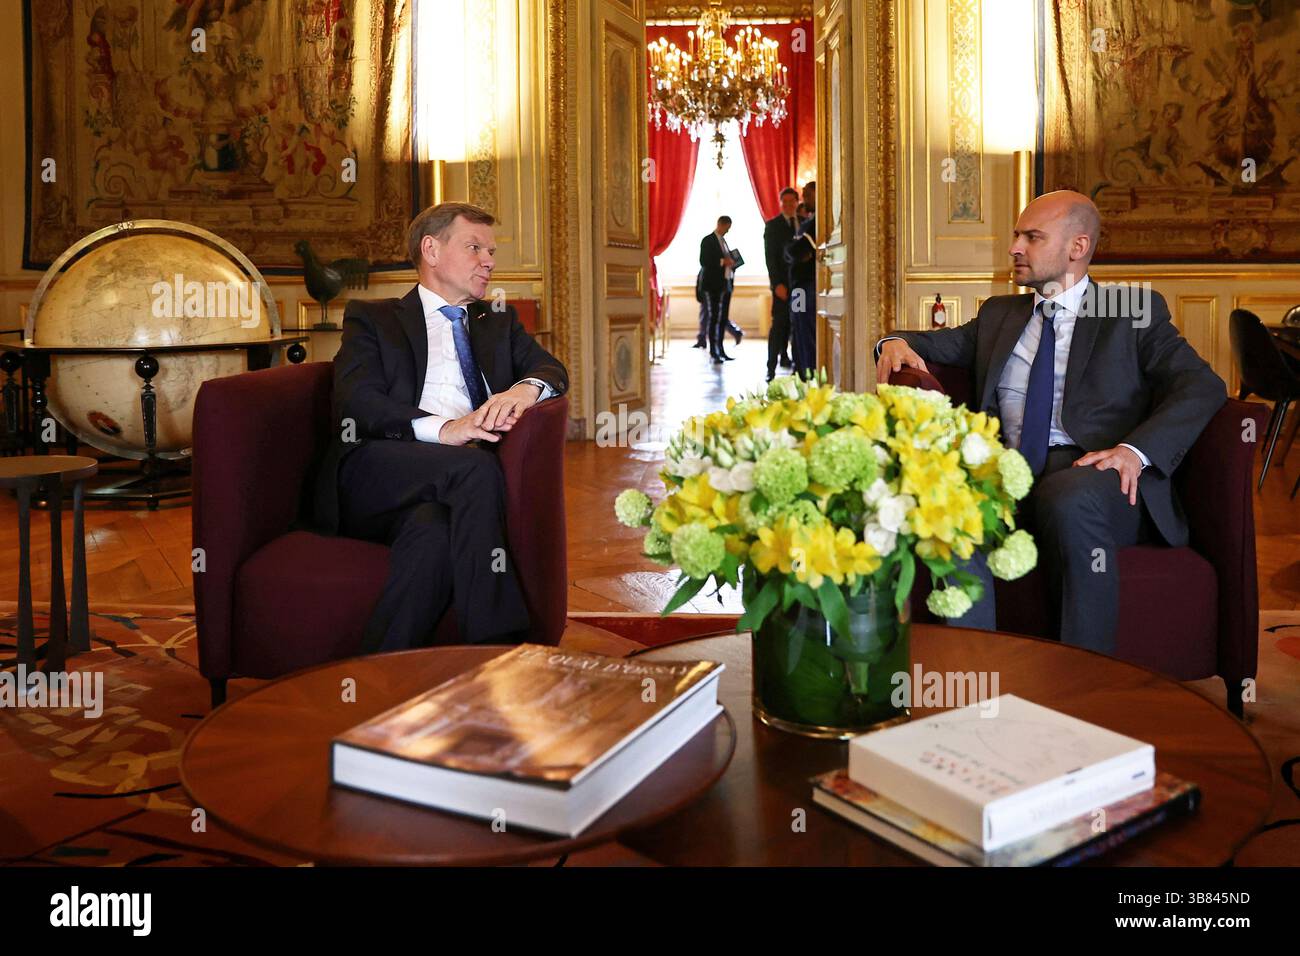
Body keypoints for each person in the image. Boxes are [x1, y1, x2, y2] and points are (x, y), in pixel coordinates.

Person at [874, 190, 1226, 654]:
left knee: (1067, 495)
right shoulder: (1000, 315)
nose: (1014, 247)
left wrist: (1134, 452)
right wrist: (892, 341)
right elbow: (936, 345)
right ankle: (969, 674)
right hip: (1009, 472)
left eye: (1031, 237)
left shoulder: (1131, 313)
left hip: (1093, 474)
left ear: (1077, 248)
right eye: (1017, 235)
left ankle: (1082, 683)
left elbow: (1202, 385)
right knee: (950, 501)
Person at [312, 201, 569, 652]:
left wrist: (523, 391)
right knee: (474, 469)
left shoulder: (499, 322)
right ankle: (499, 647)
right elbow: (356, 404)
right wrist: (446, 429)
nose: (489, 260)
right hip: (379, 470)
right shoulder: (374, 319)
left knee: (433, 532)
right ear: (431, 250)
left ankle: (379, 676)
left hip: (452, 492)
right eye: (474, 248)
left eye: (491, 251)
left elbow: (551, 370)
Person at [763, 187, 800, 381]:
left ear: (796, 202)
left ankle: (799, 368)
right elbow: (770, 259)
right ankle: (771, 368)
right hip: (782, 288)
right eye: (784, 202)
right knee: (779, 327)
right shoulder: (773, 226)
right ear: (780, 204)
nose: (788, 205)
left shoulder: (804, 222)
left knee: (799, 326)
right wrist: (776, 284)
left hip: (800, 288)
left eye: (791, 202)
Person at [784, 192, 817, 378]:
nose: (805, 198)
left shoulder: (814, 222)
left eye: (807, 194)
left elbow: (796, 251)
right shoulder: (805, 223)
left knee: (805, 328)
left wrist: (793, 250)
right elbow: (790, 252)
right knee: (796, 326)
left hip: (806, 286)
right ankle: (799, 368)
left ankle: (808, 373)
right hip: (797, 287)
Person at [698, 216, 740, 363]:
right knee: (714, 317)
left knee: (722, 319)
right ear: (720, 224)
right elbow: (704, 261)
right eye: (727, 228)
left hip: (725, 283)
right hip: (712, 285)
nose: (727, 231)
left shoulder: (723, 241)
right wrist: (723, 261)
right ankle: (713, 350)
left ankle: (721, 349)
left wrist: (732, 262)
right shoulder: (707, 240)